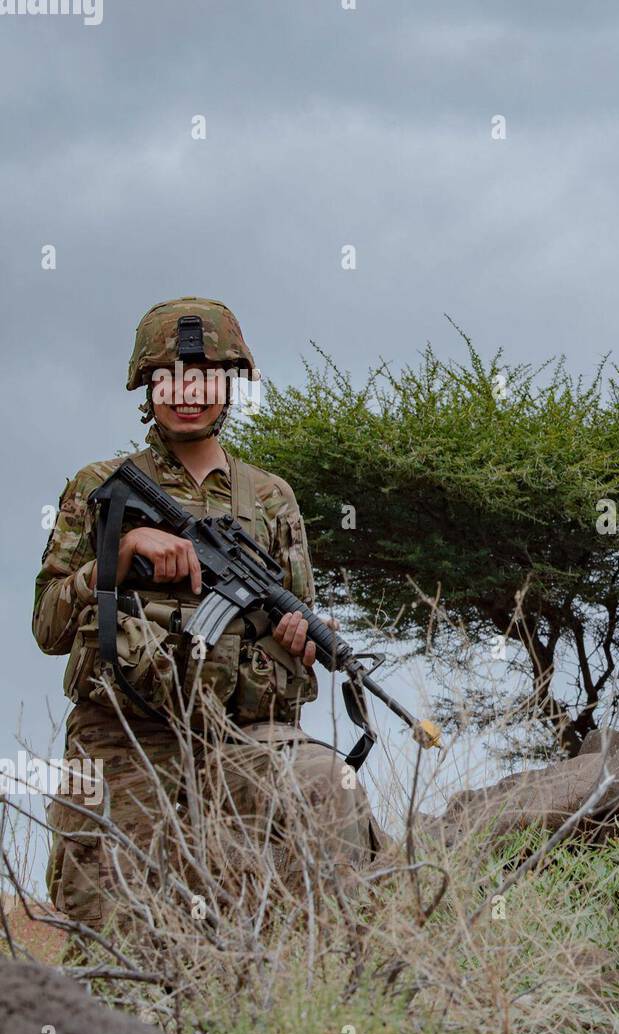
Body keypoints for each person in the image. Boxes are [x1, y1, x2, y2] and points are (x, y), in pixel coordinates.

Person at [35, 297, 381, 927]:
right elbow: (49, 627)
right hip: (124, 735)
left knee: (331, 784)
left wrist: (304, 639)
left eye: (204, 379)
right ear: (147, 385)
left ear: (228, 386)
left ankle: (332, 991)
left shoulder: (272, 498)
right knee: (117, 916)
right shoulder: (99, 487)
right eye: (171, 378)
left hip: (245, 734)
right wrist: (119, 556)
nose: (188, 394)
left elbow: (297, 619)